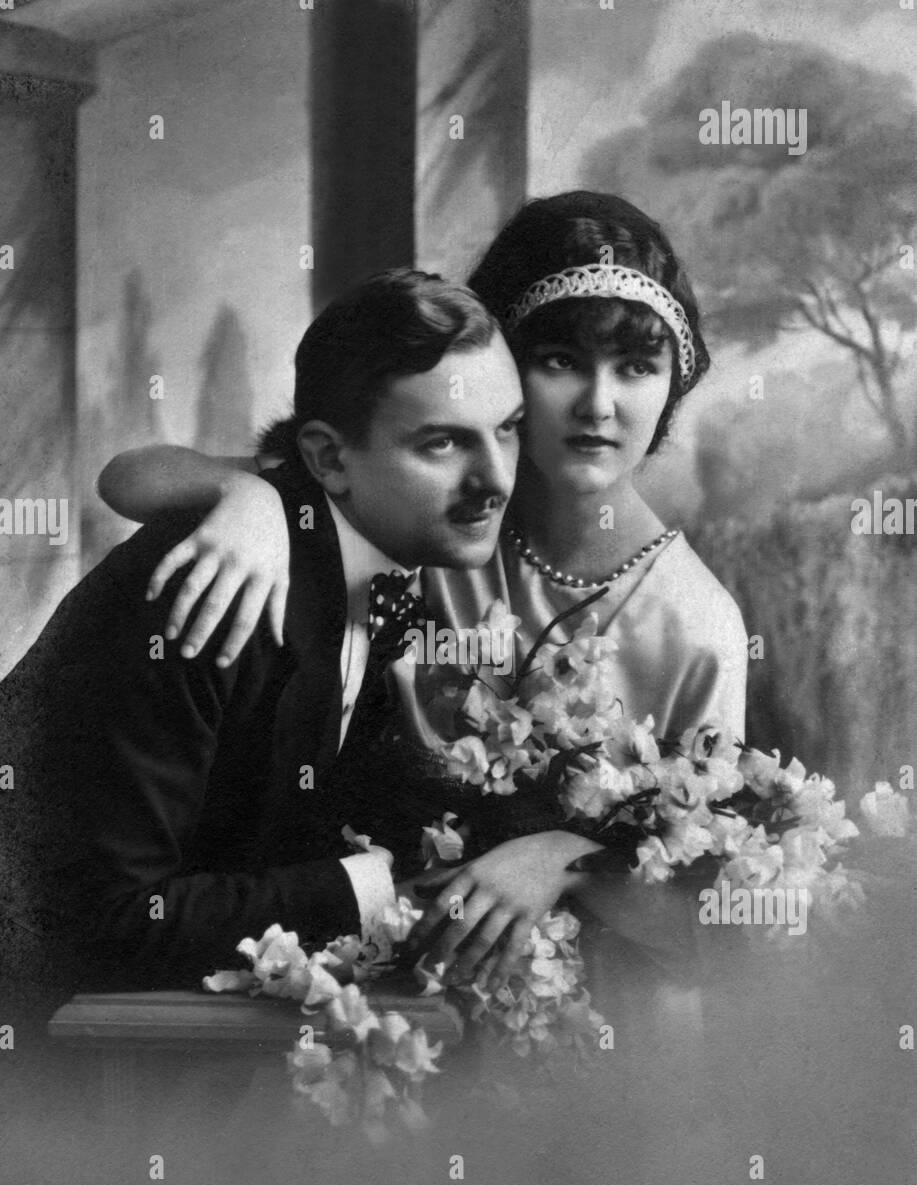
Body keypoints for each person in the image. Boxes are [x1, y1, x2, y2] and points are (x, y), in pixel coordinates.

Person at [97, 192, 748, 989]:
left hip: (571, 1003)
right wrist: (254, 500)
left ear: (672, 384)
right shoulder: (430, 515)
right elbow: (130, 478)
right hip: (348, 969)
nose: (599, 404)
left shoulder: (696, 624)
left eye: (637, 368)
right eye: (559, 362)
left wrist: (565, 860)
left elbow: (704, 892)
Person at [0, 270, 524, 996]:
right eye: (442, 444)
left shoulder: (384, 564)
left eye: (508, 429)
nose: (496, 477)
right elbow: (101, 919)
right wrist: (374, 888)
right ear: (331, 459)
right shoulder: (215, 582)